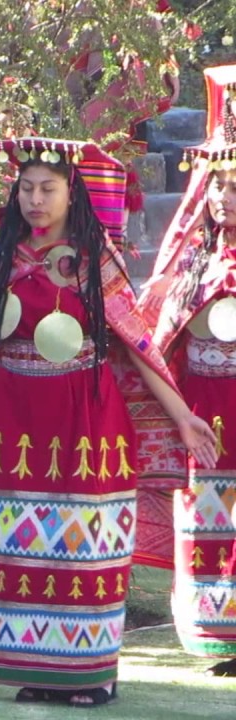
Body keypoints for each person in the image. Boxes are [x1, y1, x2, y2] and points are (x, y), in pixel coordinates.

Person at [0, 137, 217, 707]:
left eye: (48, 188)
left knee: (86, 543)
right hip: (14, 421)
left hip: (85, 421)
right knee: (16, 539)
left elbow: (137, 344)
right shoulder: (1, 257)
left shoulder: (95, 259)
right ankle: (37, 669)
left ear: (72, 193)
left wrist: (182, 414)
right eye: (26, 188)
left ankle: (93, 675)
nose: (35, 199)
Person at [137, 64, 236, 676]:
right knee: (207, 512)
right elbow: (163, 324)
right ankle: (219, 635)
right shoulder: (193, 257)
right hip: (201, 401)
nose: (225, 198)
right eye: (219, 187)